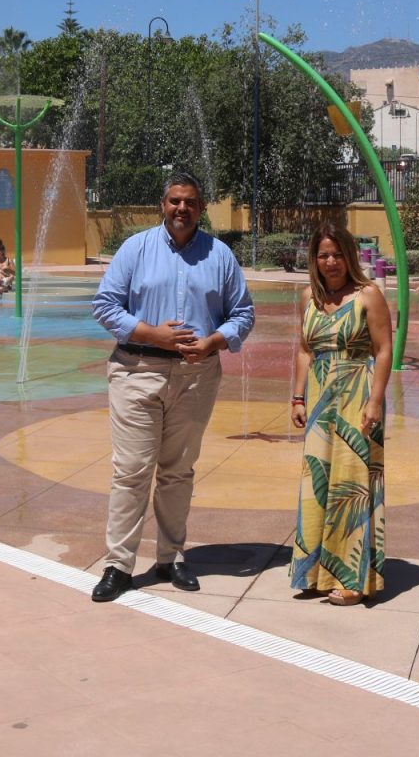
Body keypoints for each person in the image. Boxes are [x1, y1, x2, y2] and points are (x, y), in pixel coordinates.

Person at [89, 172, 255, 602]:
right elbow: (104, 305)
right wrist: (152, 334)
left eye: (191, 202)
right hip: (137, 370)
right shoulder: (135, 248)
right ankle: (118, 565)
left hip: (196, 377)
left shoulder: (220, 255)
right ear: (162, 205)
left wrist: (214, 341)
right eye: (175, 201)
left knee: (178, 471)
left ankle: (170, 557)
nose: (182, 208)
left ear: (201, 208)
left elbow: (243, 313)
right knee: (131, 471)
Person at [289, 222, 392, 606]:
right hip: (320, 399)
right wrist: (297, 397)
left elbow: (384, 350)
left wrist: (375, 401)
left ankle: (353, 580)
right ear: (314, 259)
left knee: (353, 484)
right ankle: (315, 572)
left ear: (349, 256)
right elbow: (304, 349)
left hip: (358, 395)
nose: (330, 262)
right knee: (317, 484)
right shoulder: (308, 298)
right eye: (323, 255)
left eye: (336, 254)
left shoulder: (368, 295)